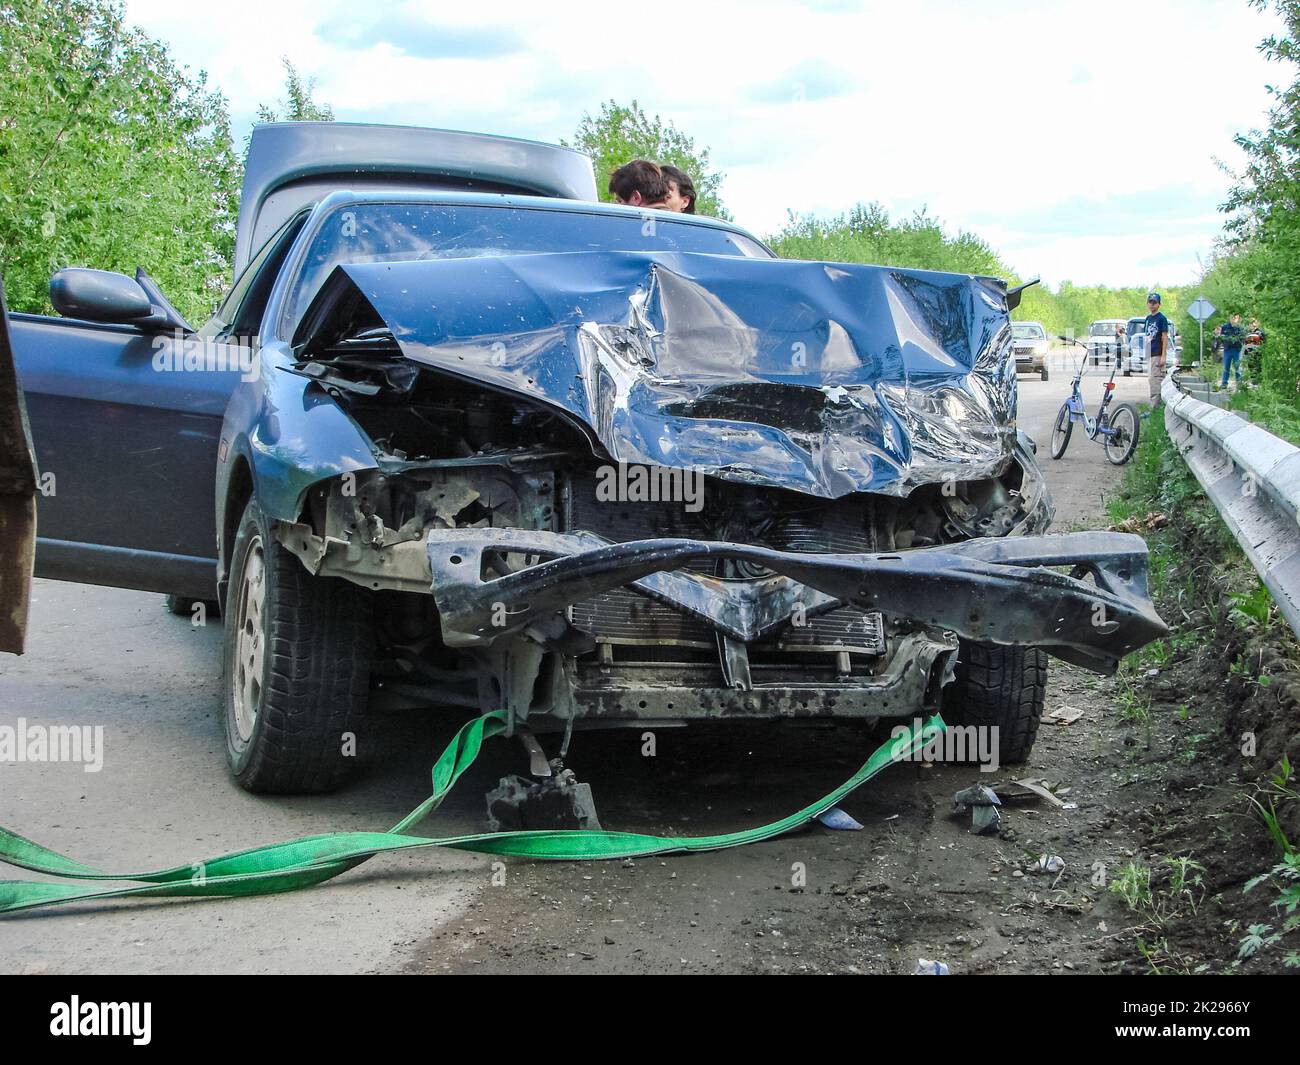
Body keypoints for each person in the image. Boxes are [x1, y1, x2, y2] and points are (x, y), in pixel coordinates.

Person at [1144, 292, 1169, 407]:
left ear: (1159, 304)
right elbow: (1147, 336)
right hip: (1150, 352)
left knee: (1156, 379)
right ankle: (1154, 405)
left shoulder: (1161, 318)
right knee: (1151, 379)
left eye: (1155, 303)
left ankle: (1155, 406)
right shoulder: (1148, 318)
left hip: (1157, 353)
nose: (1152, 305)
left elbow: (1164, 336)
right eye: (1150, 302)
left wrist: (1163, 355)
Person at [1216, 312, 1246, 390]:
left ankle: (1239, 384)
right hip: (1227, 350)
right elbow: (1222, 338)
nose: (1234, 320)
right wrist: (1225, 344)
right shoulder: (1225, 327)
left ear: (1238, 319)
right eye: (1233, 317)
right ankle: (1224, 383)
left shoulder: (1240, 328)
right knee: (1226, 367)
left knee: (1237, 367)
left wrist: (1239, 344)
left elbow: (1243, 338)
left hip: (1237, 350)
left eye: (1236, 318)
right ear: (1230, 318)